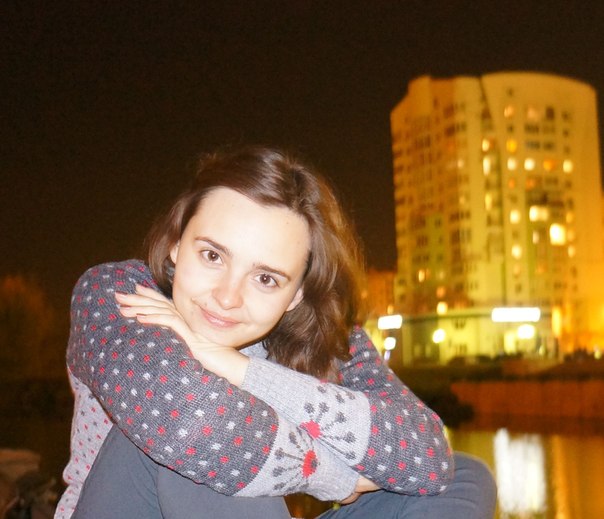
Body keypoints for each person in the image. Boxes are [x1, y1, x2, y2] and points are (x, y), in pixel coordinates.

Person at [57, 146, 496, 518]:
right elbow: (191, 421)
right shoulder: (117, 294)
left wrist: (239, 367)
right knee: (191, 444)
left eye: (265, 278)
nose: (227, 297)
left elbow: (428, 454)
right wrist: (336, 477)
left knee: (461, 476)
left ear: (296, 294)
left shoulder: (328, 340)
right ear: (176, 242)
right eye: (212, 256)